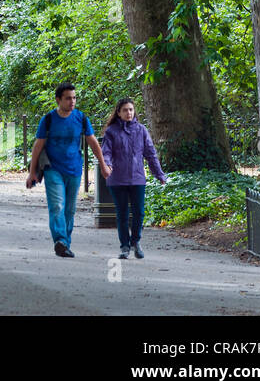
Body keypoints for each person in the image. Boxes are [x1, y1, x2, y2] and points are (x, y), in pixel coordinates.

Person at [27, 82, 109, 257]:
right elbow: (38, 146)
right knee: (57, 206)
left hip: (74, 170)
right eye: (68, 98)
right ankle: (60, 240)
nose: (72, 101)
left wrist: (103, 165)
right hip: (53, 169)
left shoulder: (81, 118)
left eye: (74, 98)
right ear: (58, 100)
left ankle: (65, 244)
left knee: (70, 210)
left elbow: (93, 142)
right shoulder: (48, 119)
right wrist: (32, 172)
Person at [100, 98, 167, 259]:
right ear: (118, 112)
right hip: (117, 179)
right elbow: (106, 152)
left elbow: (151, 154)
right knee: (122, 213)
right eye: (125, 110)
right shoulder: (111, 132)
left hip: (137, 179)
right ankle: (124, 246)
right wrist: (107, 165)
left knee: (139, 212)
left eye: (131, 110)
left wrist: (159, 174)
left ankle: (135, 242)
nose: (128, 113)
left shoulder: (141, 130)